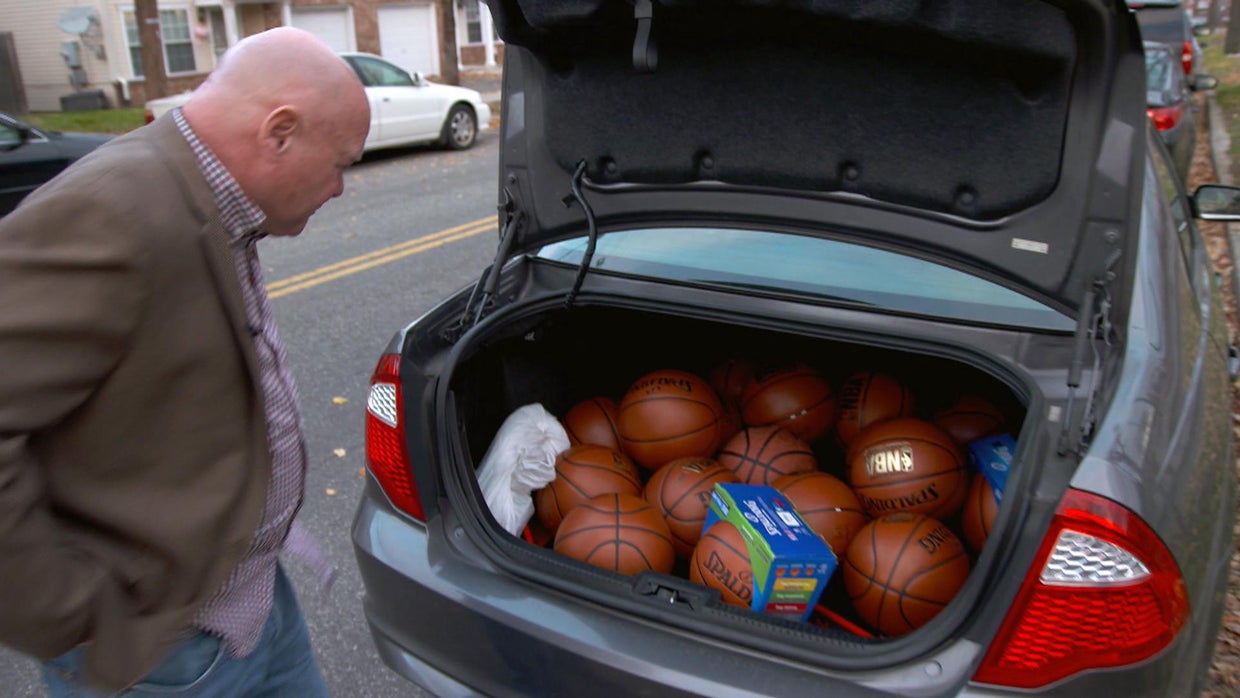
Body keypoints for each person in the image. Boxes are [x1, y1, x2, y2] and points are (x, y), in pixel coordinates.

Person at [0, 27, 370, 696]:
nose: (340, 188)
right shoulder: (112, 209)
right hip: (158, 643)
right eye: (341, 163)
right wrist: (63, 615)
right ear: (279, 133)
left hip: (252, 599)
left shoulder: (212, 197)